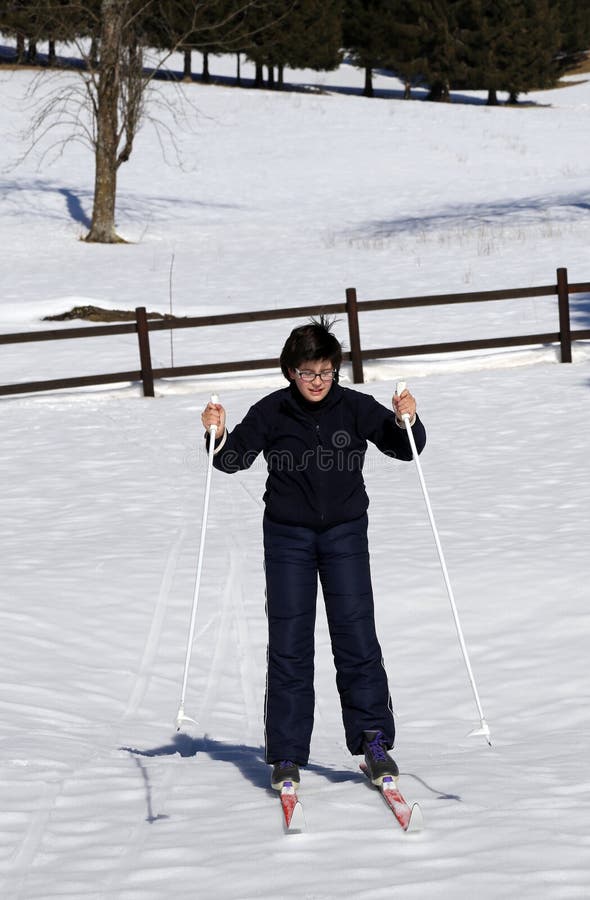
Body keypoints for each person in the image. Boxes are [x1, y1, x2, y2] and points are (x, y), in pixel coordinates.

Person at [201, 317, 426, 791]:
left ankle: (373, 741)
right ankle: (285, 754)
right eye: (307, 372)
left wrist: (409, 419)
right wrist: (215, 434)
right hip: (287, 539)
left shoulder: (355, 407)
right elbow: (230, 459)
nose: (317, 382)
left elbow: (405, 449)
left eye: (325, 371)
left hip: (345, 534)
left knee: (356, 634)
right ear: (290, 372)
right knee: (290, 643)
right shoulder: (272, 412)